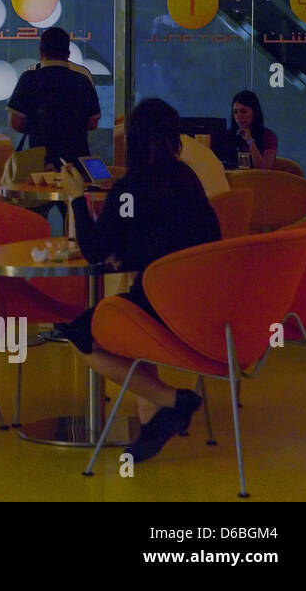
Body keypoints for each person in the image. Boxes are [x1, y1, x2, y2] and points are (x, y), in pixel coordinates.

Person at [55, 98, 220, 463]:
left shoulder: (128, 189)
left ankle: (173, 400)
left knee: (82, 334)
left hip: (158, 305)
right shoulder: (187, 179)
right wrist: (131, 254)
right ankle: (158, 423)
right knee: (133, 325)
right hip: (204, 304)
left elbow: (95, 251)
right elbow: (179, 235)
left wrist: (76, 197)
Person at [7, 27, 101, 167]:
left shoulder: (29, 79)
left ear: (41, 52)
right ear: (68, 54)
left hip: (40, 161)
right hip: (77, 161)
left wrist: (36, 125)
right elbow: (93, 123)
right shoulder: (82, 80)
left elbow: (16, 123)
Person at [227, 90, 277, 170]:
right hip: (233, 180)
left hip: (258, 181)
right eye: (235, 112)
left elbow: (264, 170)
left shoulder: (268, 135)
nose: (238, 116)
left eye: (243, 111)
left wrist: (250, 141)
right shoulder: (229, 135)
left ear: (255, 112)